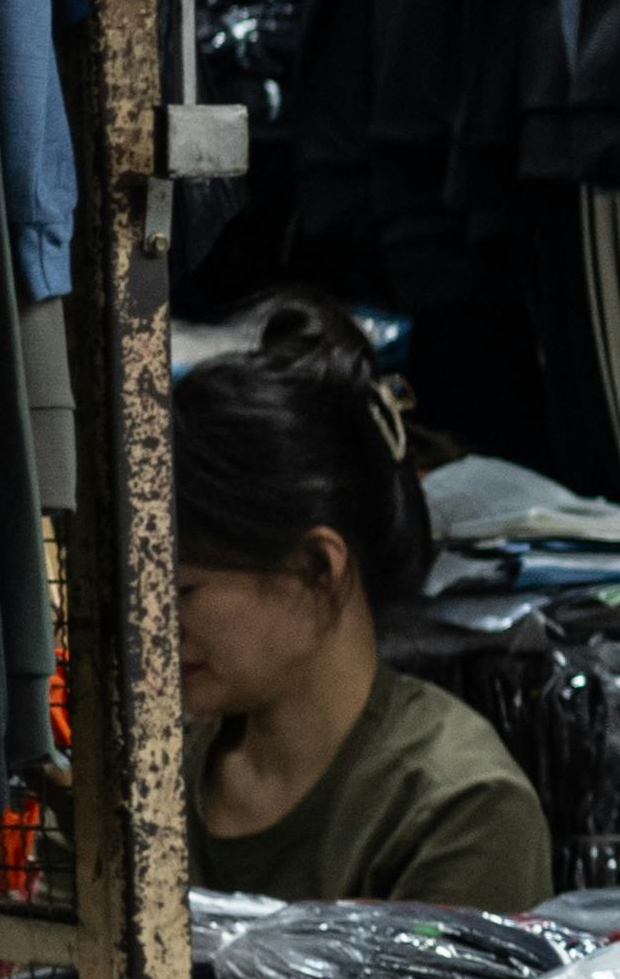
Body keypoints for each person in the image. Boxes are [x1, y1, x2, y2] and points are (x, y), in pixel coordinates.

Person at [177, 299, 553, 909]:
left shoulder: (457, 808)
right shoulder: (159, 772)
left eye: (185, 591)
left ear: (317, 567)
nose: (151, 629)